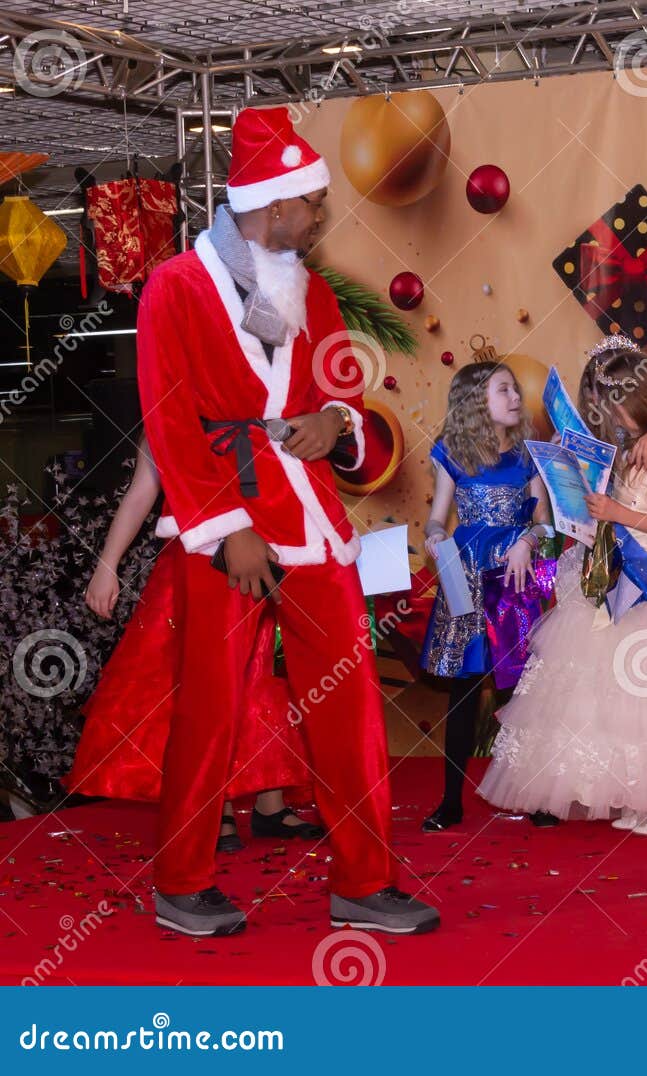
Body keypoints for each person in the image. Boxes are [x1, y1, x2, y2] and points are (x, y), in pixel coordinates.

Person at [136, 106, 437, 936]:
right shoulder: (177, 287)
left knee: (349, 706)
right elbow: (168, 418)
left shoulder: (305, 289)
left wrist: (337, 423)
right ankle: (183, 881)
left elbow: (342, 387)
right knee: (214, 707)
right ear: (274, 205)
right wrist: (225, 526)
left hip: (312, 519)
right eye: (311, 206)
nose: (317, 221)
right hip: (227, 524)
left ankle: (364, 882)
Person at [477, 339, 647, 835]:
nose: (613, 415)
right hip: (613, 580)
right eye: (601, 407)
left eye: (618, 403)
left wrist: (617, 513)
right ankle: (635, 793)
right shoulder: (621, 451)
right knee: (611, 696)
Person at [71, 436, 321, 852]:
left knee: (268, 680)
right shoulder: (167, 417)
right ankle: (214, 804)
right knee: (203, 683)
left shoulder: (257, 402)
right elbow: (141, 493)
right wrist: (106, 565)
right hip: (198, 564)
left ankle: (270, 803)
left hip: (274, 557)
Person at [419, 362, 551, 832]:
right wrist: (436, 537)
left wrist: (527, 542)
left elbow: (546, 522)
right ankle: (450, 801)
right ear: (477, 402)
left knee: (521, 686)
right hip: (469, 573)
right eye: (504, 390)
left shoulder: (531, 456)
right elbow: (437, 518)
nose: (516, 396)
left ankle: (535, 795)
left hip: (515, 578)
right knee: (465, 688)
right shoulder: (452, 453)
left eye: (515, 388)